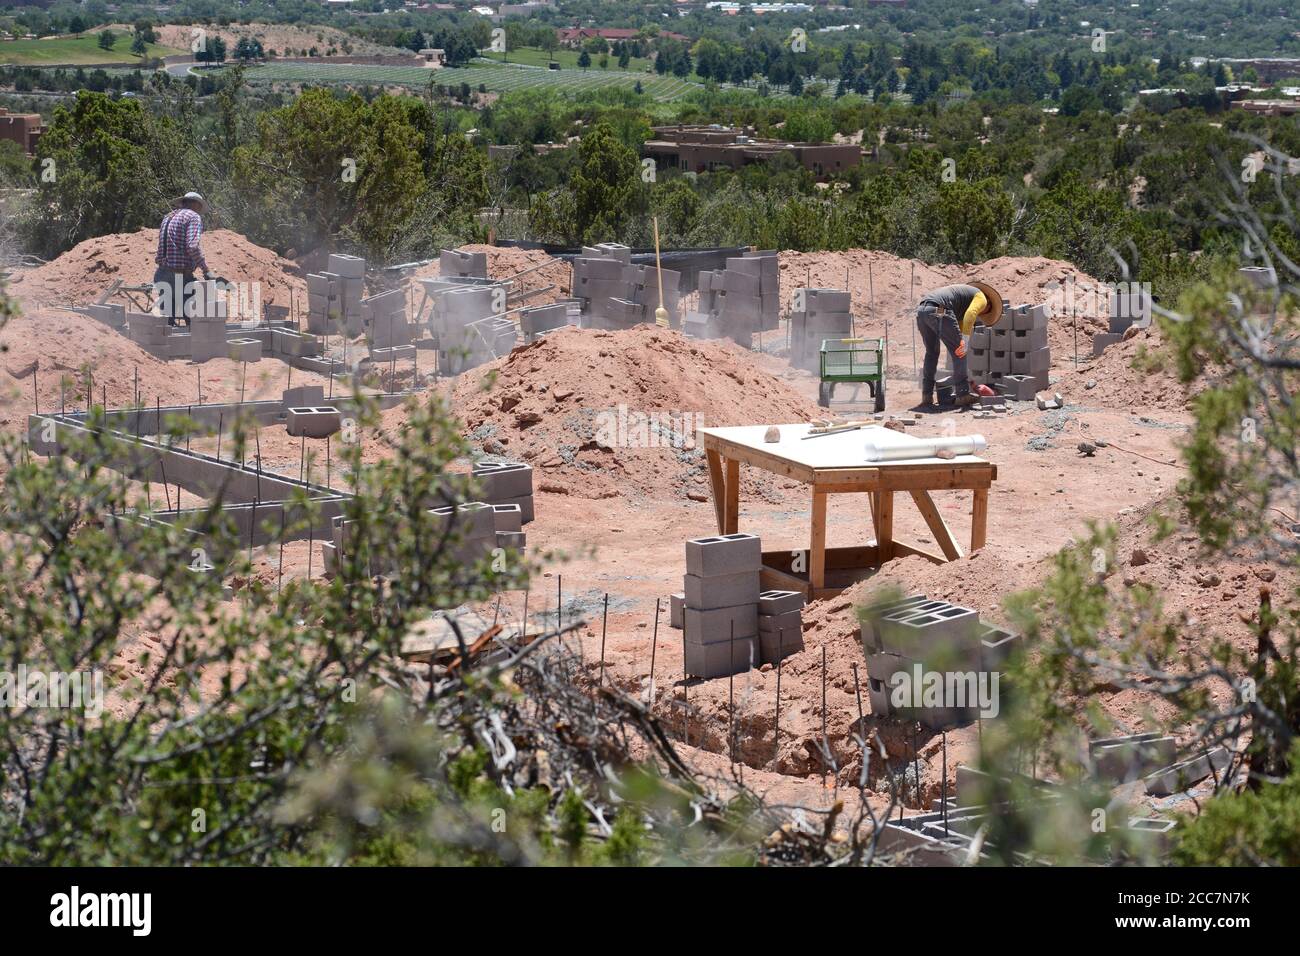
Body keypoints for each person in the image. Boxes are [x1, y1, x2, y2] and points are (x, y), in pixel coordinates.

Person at [914, 281, 1003, 409]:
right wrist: (964, 343)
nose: (982, 313)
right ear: (988, 302)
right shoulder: (982, 298)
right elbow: (970, 315)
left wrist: (966, 376)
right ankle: (963, 395)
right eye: (987, 311)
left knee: (932, 352)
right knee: (960, 351)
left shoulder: (961, 303)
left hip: (923, 311)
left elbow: (961, 326)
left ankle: (926, 396)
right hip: (940, 310)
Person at [154, 192, 210, 326]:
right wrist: (206, 270)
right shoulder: (193, 216)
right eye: (199, 207)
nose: (199, 210)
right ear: (196, 204)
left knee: (166, 325)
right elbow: (192, 247)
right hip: (180, 277)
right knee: (196, 323)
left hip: (162, 274)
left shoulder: (168, 217)